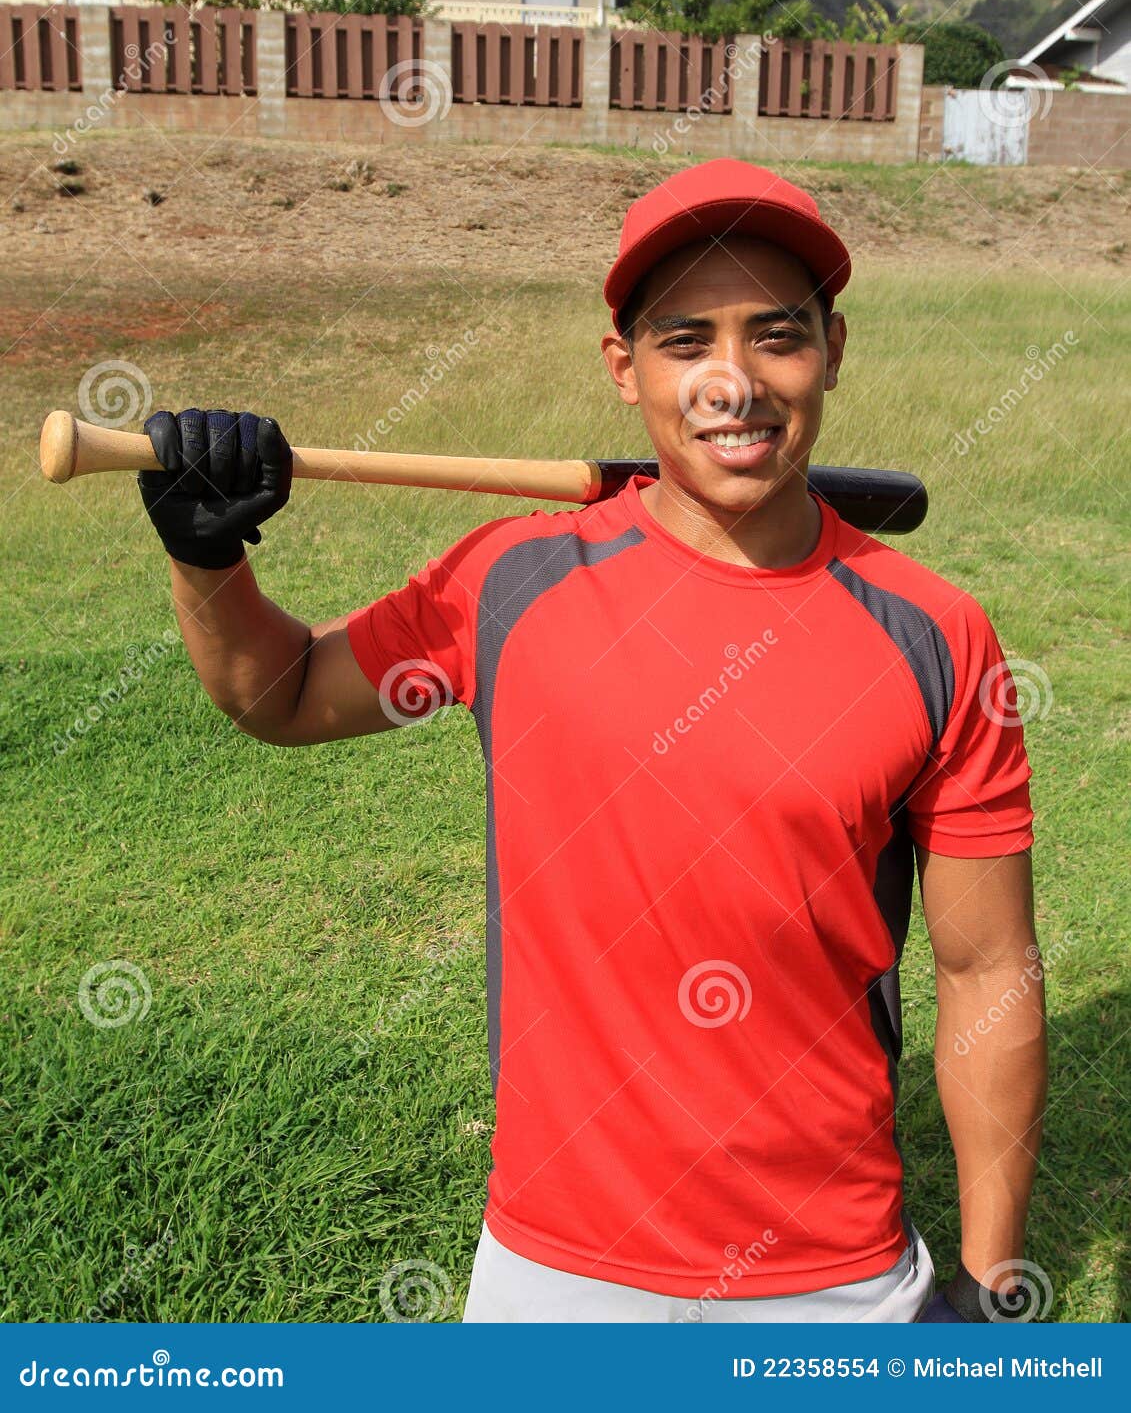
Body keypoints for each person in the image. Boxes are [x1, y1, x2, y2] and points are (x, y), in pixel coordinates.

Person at [137, 158, 1046, 1324]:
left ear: (832, 350)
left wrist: (990, 1269)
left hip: (832, 1275)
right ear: (624, 368)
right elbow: (283, 692)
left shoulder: (937, 635)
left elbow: (986, 972)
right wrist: (208, 558)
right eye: (685, 342)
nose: (734, 381)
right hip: (554, 1268)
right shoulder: (512, 584)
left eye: (776, 337)